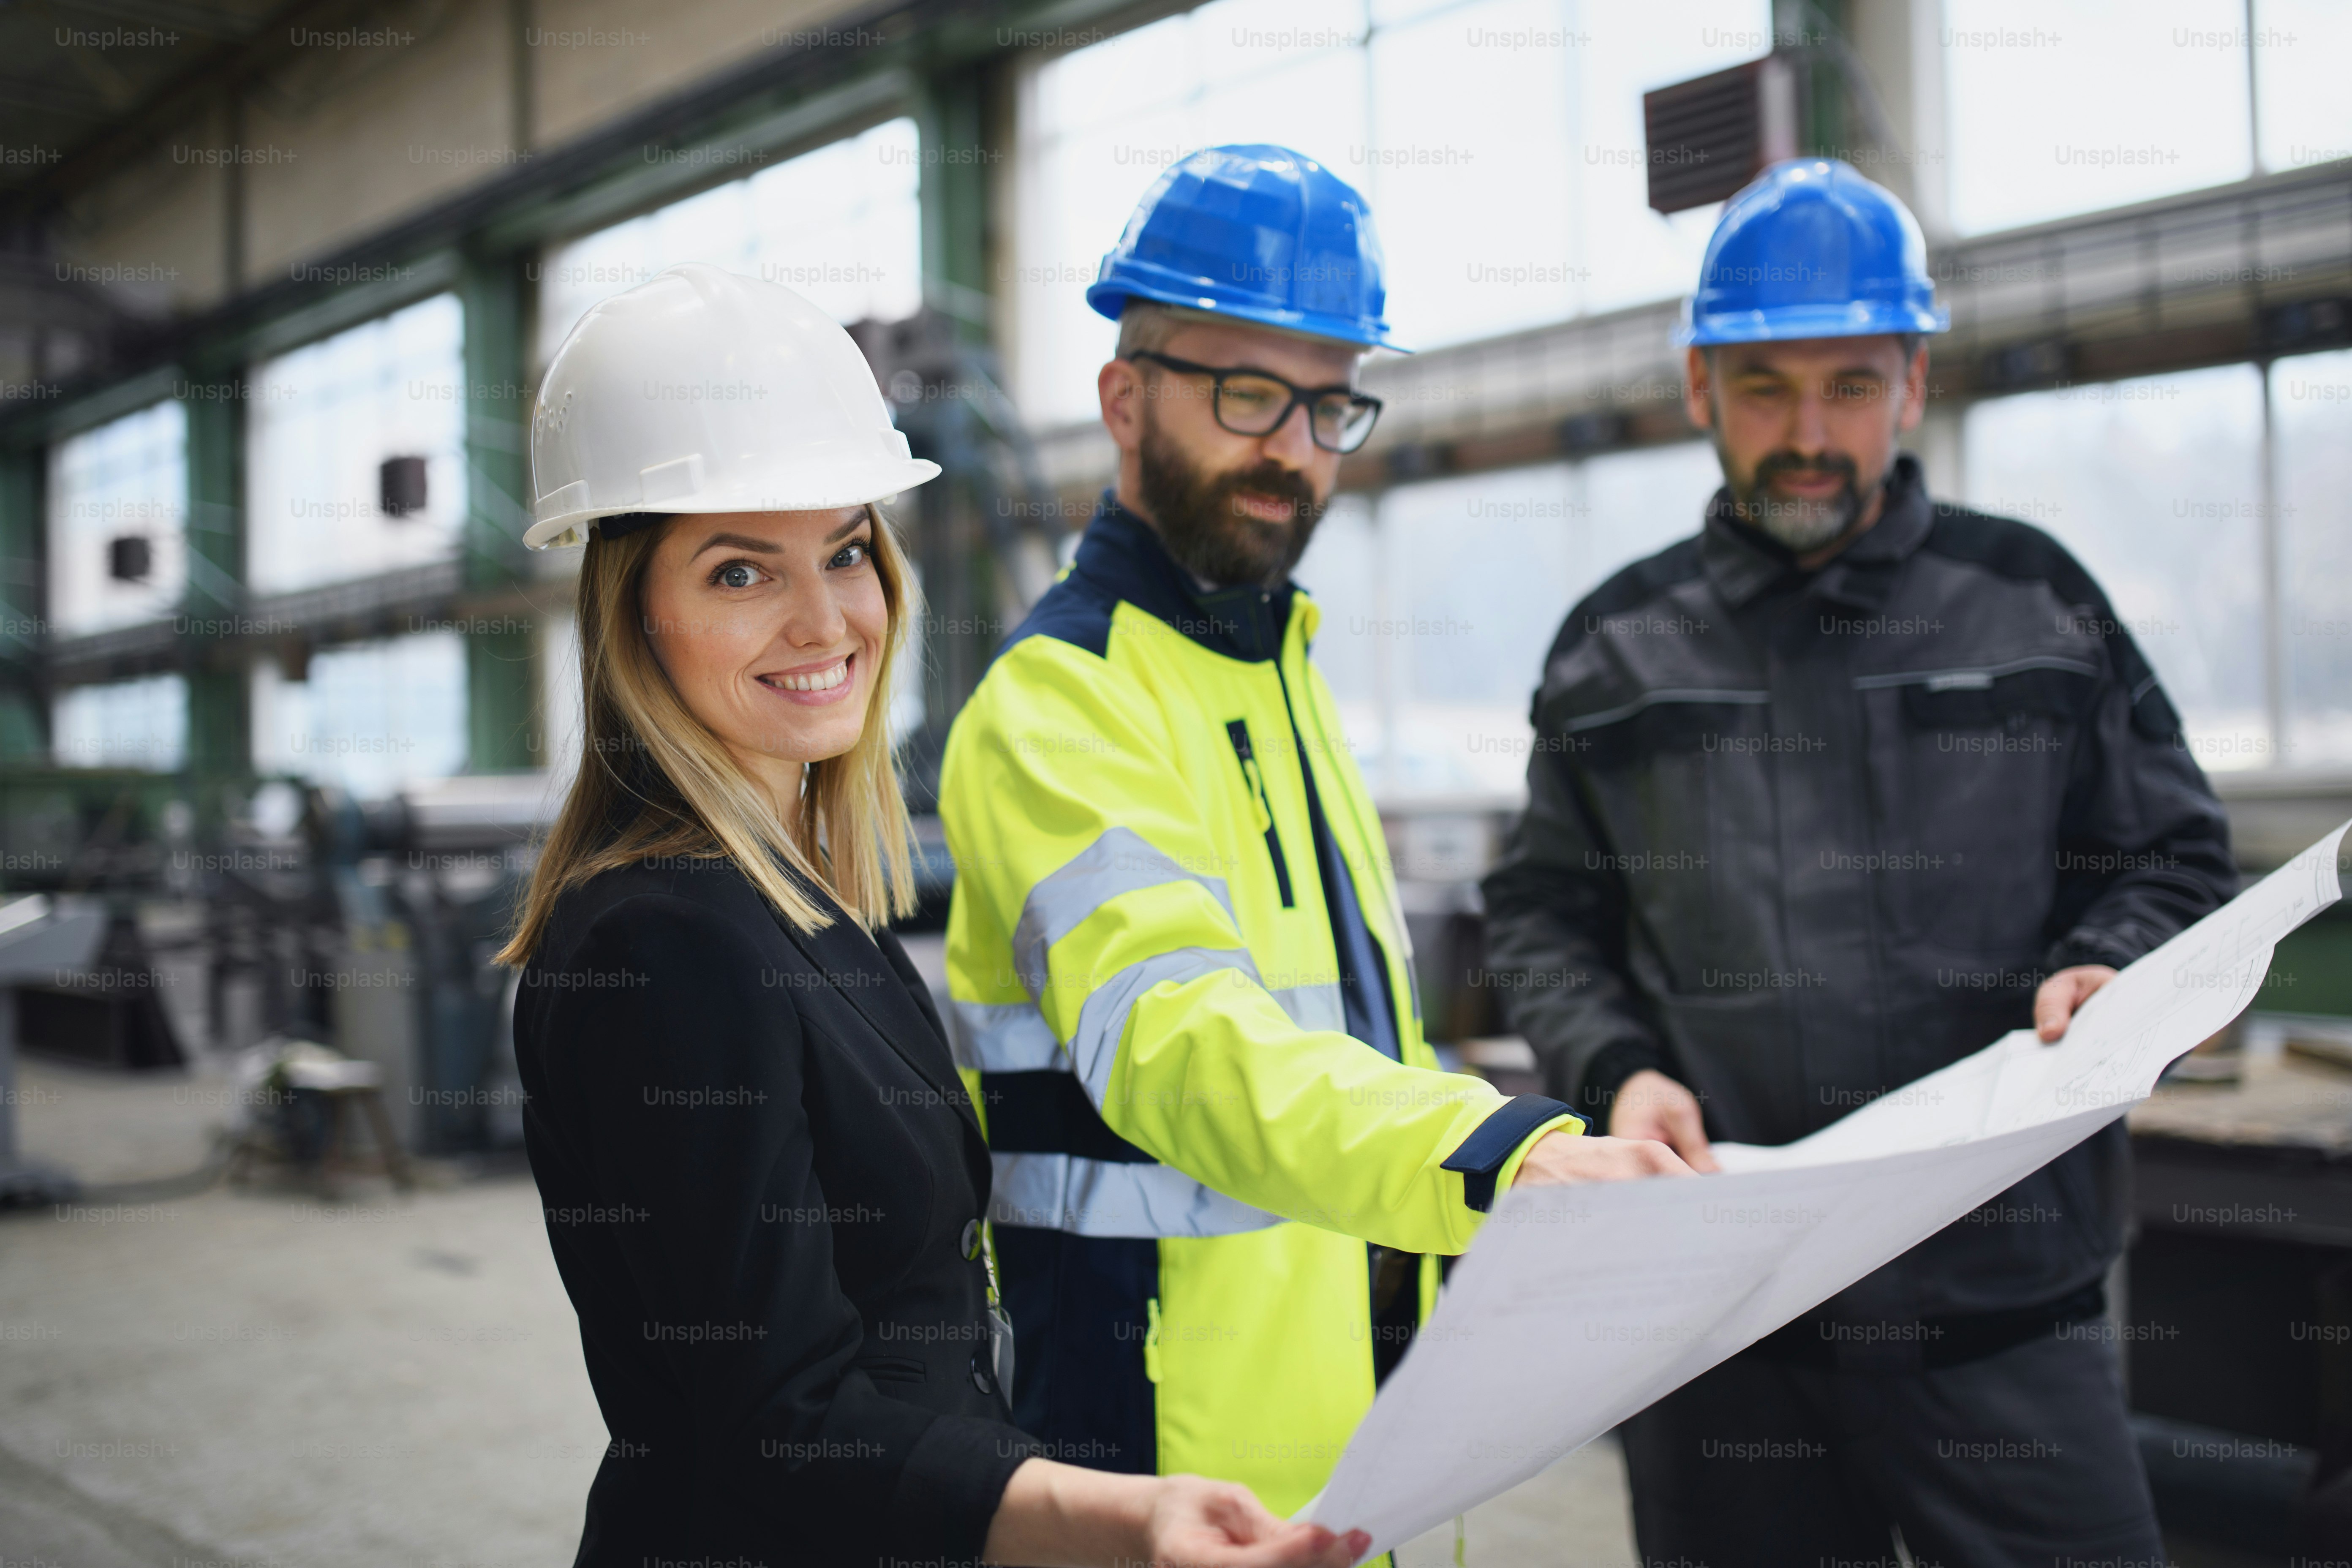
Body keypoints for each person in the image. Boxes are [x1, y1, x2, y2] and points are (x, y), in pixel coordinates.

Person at [500, 263, 1370, 1568]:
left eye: (847, 551)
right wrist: (1115, 1512)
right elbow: (785, 1416)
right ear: (634, 612)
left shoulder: (793, 906)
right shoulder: (660, 943)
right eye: (741, 572)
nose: (825, 618)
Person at [1480, 159, 2238, 1565]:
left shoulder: (2038, 602)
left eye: (1850, 386)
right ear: (1700, 386)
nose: (1809, 434)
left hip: (2001, 1301)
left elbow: (2174, 853)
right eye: (1766, 388)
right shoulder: (1612, 650)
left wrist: (2111, 967)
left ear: (1914, 382)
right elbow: (1539, 914)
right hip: (1719, 1308)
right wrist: (1615, 1074)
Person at [939, 145, 1688, 1521]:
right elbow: (1180, 1041)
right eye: (1245, 393)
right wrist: (1497, 1154)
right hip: (1156, 1444)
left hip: (1363, 1425)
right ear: (1123, 398)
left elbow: (1349, 1050)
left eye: (1330, 404)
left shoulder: (1280, 670)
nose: (1290, 446)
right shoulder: (1056, 705)